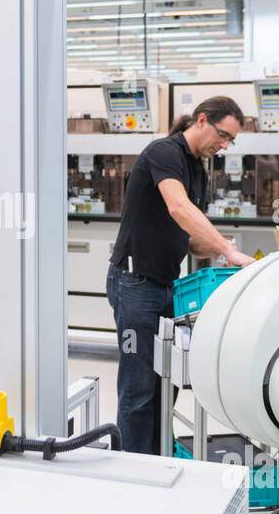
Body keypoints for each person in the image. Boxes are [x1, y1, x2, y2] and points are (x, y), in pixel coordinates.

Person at [106, 95, 255, 455]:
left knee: (165, 384)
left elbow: (188, 240)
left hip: (166, 287)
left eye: (230, 141)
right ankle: (134, 468)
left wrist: (221, 250)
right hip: (134, 284)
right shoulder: (164, 152)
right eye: (222, 135)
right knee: (139, 387)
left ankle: (158, 457)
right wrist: (226, 248)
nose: (224, 145)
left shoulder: (198, 170)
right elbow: (178, 207)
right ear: (201, 120)